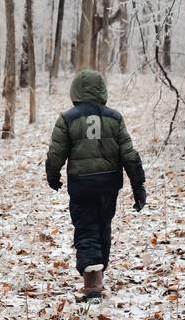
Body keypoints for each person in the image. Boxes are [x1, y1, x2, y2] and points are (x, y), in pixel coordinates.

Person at [44, 69, 147, 300]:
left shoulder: (67, 119)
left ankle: (92, 283)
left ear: (75, 91)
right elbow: (129, 155)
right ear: (102, 90)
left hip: (81, 186)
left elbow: (55, 153)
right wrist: (138, 187)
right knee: (103, 227)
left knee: (86, 229)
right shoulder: (115, 118)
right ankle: (98, 272)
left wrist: (53, 175)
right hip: (109, 185)